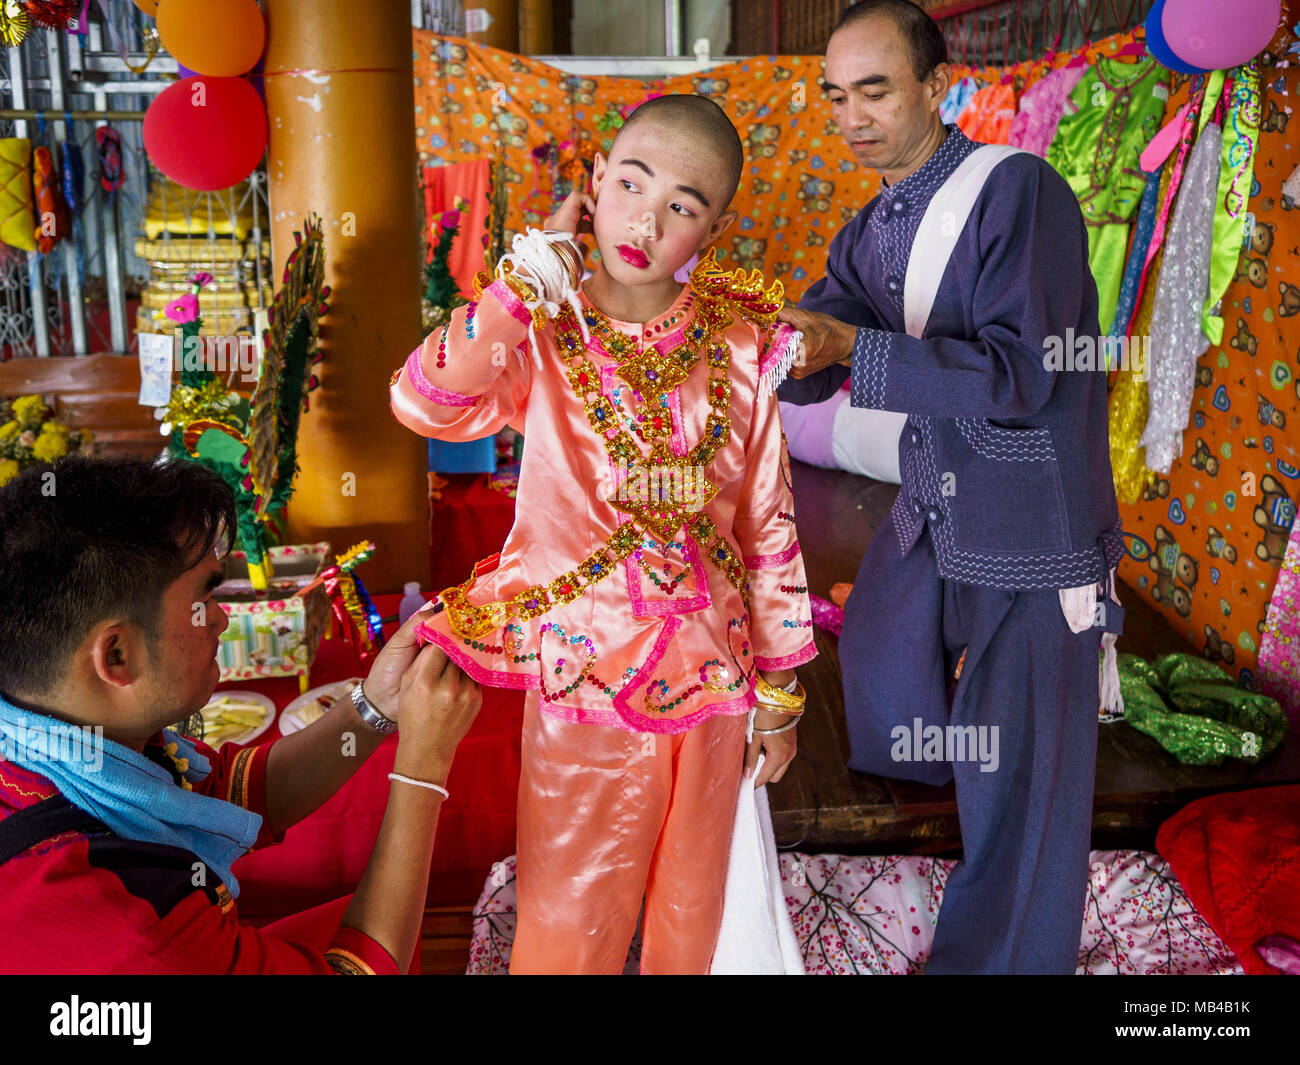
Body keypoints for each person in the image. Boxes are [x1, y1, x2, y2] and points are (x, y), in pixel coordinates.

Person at [390, 94, 816, 974]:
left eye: (682, 205)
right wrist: (517, 291)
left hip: (715, 678)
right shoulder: (544, 329)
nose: (647, 219)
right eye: (632, 183)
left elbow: (766, 518)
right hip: (584, 673)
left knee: (694, 915)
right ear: (595, 186)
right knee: (567, 914)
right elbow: (422, 401)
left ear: (713, 224)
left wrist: (782, 688)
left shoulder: (741, 342)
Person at [777, 0, 1124, 974]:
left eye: (874, 90)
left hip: (1029, 524)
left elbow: (1024, 376)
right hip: (938, 499)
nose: (851, 117)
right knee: (885, 685)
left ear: (937, 85)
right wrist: (748, 340)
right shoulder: (873, 223)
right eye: (835, 96)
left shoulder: (1018, 194)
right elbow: (823, 338)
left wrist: (850, 348)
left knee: (1023, 794)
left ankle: (998, 954)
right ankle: (936, 825)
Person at [0, 455, 482, 974]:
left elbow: (231, 794)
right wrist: (423, 767)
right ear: (116, 655)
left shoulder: (61, 743)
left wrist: (377, 706)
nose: (223, 617)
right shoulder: (125, 925)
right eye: (204, 598)